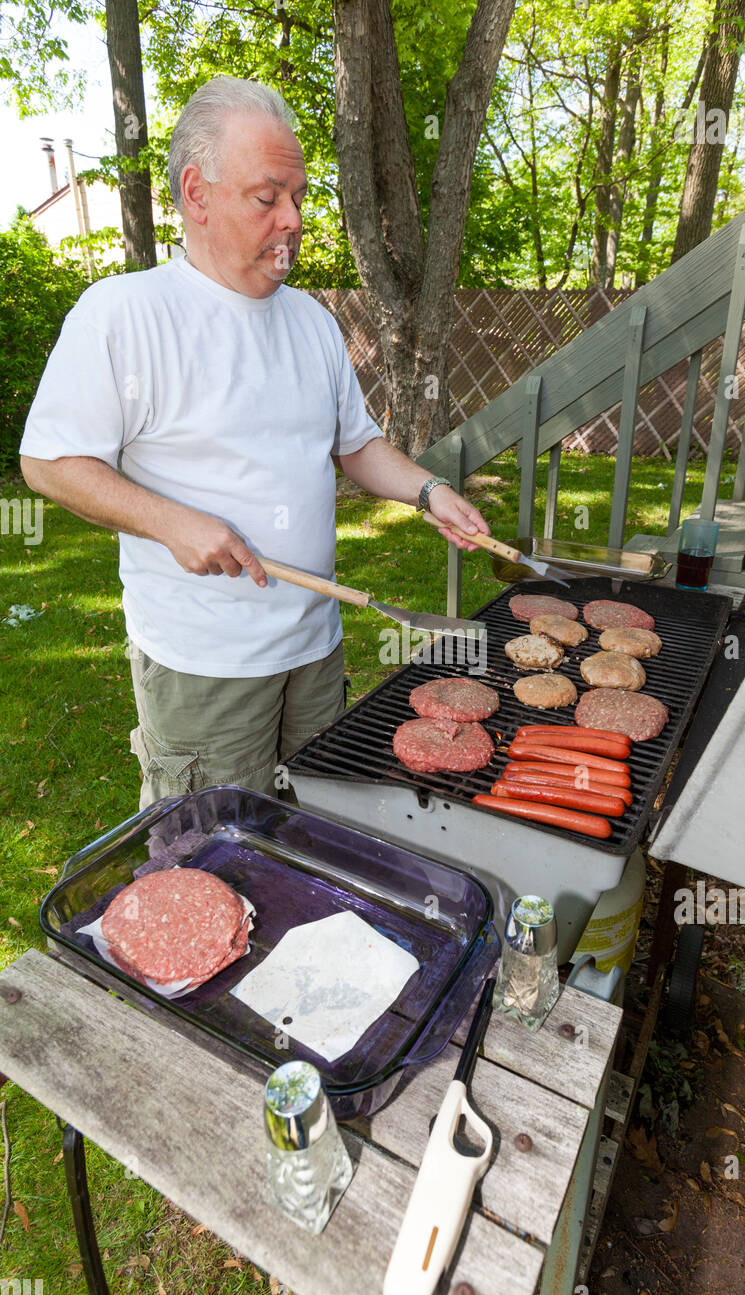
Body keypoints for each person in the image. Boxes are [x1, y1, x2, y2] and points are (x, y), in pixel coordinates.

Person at [20, 76, 489, 809]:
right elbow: (48, 461)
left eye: (299, 198)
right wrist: (170, 522)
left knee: (317, 832)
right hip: (206, 665)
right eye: (268, 198)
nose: (293, 219)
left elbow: (356, 444)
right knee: (212, 848)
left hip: (316, 648)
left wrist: (429, 491)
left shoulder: (312, 322)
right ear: (197, 194)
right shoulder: (124, 314)